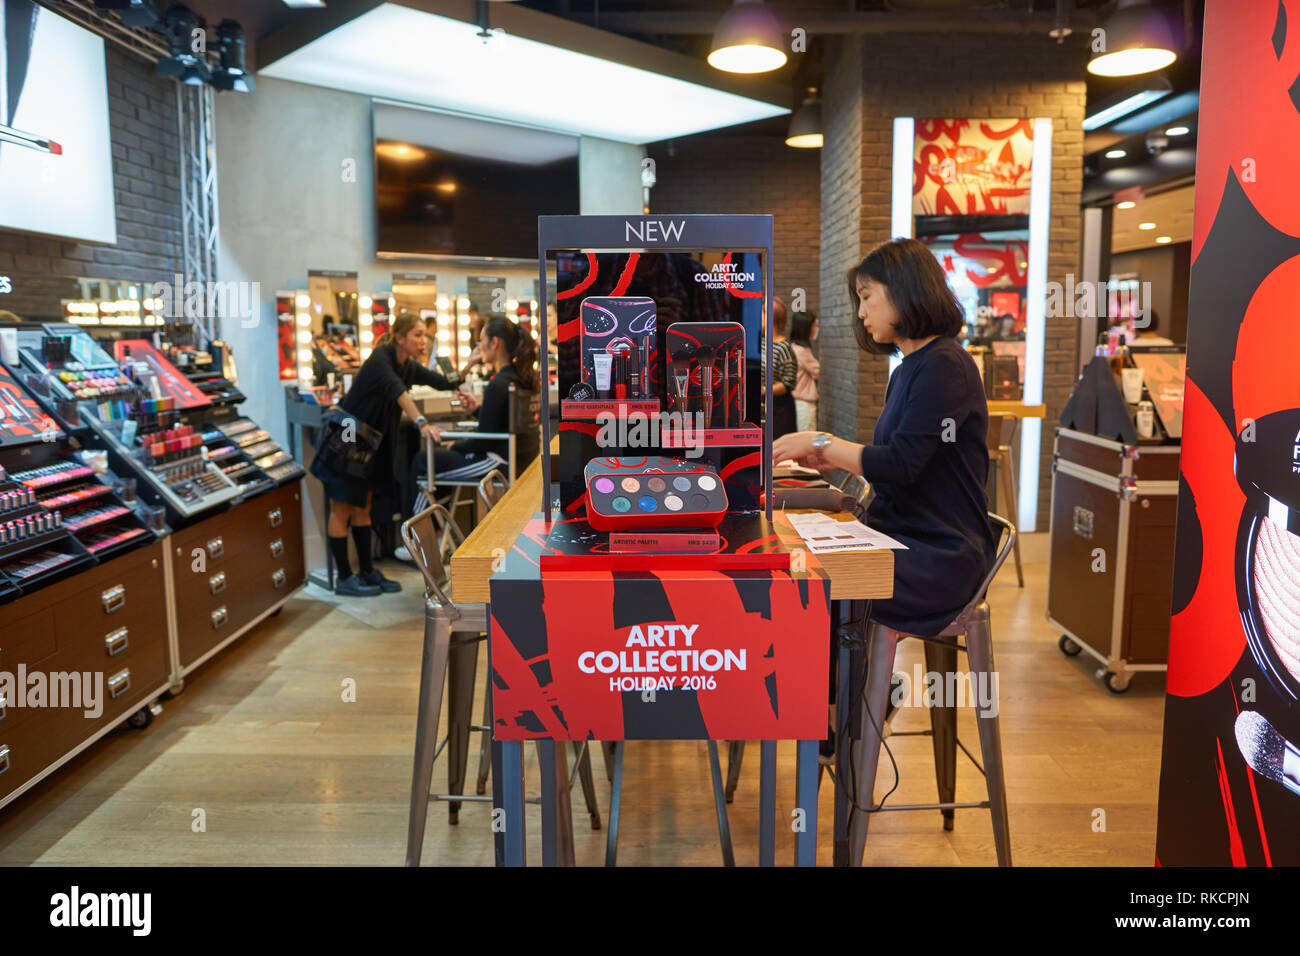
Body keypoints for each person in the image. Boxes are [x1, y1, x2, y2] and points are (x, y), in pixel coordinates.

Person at [773, 238, 996, 637]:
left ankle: (849, 696)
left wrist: (821, 442)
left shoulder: (945, 365)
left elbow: (899, 465)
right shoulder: (909, 370)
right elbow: (899, 463)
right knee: (793, 559)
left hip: (938, 558)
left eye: (866, 296)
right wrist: (834, 458)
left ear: (905, 290)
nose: (861, 312)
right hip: (903, 539)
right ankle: (846, 693)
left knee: (802, 580)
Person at [309, 313, 464, 597]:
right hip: (347, 436)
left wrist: (472, 365)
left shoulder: (409, 366)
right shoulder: (381, 358)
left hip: (367, 442)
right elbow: (399, 393)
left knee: (363, 505)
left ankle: (367, 571)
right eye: (416, 335)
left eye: (424, 335)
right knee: (342, 508)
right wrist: (421, 422)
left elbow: (443, 382)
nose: (422, 341)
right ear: (400, 338)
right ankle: (345, 577)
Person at [407, 316, 539, 516]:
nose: (479, 346)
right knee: (442, 461)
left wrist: (455, 444)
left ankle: (415, 539)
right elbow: (501, 424)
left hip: (498, 464)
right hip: (518, 459)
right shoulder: (519, 378)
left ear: (494, 343)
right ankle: (439, 532)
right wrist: (477, 410)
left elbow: (482, 441)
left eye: (481, 340)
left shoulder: (498, 384)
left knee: (422, 462)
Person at [788, 311, 821, 432]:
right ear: (806, 328)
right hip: (804, 404)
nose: (816, 329)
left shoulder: (793, 347)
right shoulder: (802, 351)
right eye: (814, 325)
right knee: (807, 441)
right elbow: (819, 373)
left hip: (796, 403)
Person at [770, 296, 798, 438]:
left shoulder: (784, 348)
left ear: (772, 317)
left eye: (762, 314)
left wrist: (763, 390)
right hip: (765, 404)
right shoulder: (760, 342)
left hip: (779, 409)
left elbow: (788, 383)